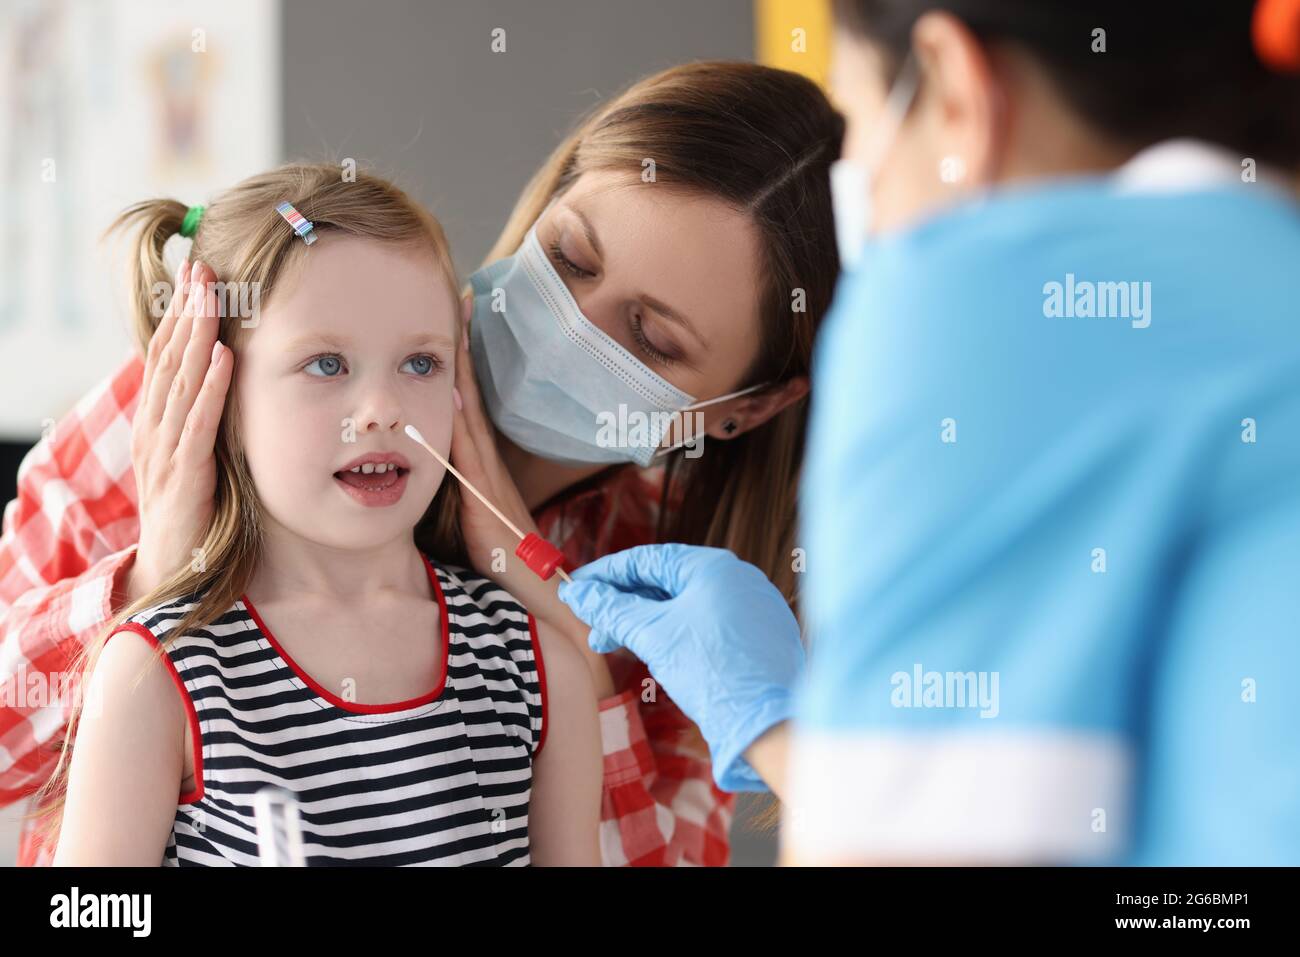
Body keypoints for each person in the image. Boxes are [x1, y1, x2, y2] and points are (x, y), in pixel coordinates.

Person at [0, 61, 845, 866]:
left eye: (650, 338)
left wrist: (564, 636)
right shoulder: (205, 393)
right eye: (573, 256)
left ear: (742, 410)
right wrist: (155, 575)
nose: (569, 325)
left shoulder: (679, 616)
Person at [558, 0, 1300, 865]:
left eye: (863, 118)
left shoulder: (989, 290)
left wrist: (787, 731)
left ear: (950, 85)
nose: (862, 174)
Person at [40, 163, 601, 865]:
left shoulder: (539, 668)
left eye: (421, 363)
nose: (383, 410)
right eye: (328, 364)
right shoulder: (155, 669)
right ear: (217, 394)